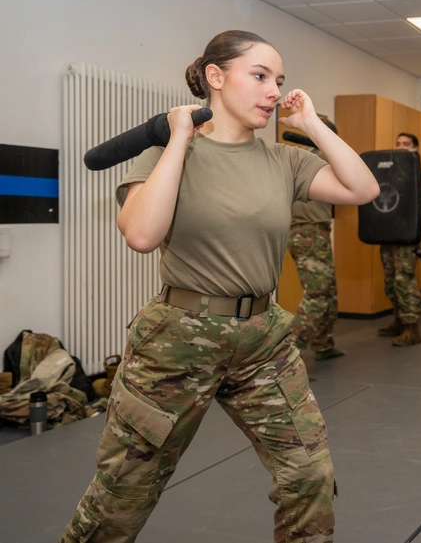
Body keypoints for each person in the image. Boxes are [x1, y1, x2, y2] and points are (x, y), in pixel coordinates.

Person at [61, 30, 380, 543]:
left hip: (263, 338)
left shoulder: (285, 161)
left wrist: (311, 124)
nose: (274, 91)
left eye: (279, 81)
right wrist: (180, 139)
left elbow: (363, 189)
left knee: (308, 475)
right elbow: (141, 235)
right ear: (215, 77)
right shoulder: (169, 154)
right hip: (178, 341)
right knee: (125, 492)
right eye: (259, 76)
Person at [287, 118, 343, 361]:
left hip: (313, 231)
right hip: (308, 232)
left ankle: (323, 343)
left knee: (328, 290)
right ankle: (287, 355)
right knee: (318, 294)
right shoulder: (317, 157)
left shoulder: (305, 156)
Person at [376, 132, 421, 346]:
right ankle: (399, 321)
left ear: (416, 149)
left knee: (404, 282)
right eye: (398, 143)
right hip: (388, 235)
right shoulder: (389, 173)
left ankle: (412, 328)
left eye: (406, 144)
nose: (401, 147)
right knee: (390, 282)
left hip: (407, 238)